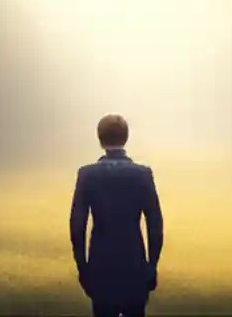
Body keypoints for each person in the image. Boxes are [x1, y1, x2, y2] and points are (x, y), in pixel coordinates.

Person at [69, 114, 164, 317]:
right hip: (134, 263)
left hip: (101, 264)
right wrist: (152, 265)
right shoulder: (142, 174)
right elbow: (155, 222)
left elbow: (77, 225)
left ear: (100, 138)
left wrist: (82, 266)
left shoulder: (87, 174)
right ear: (126, 137)